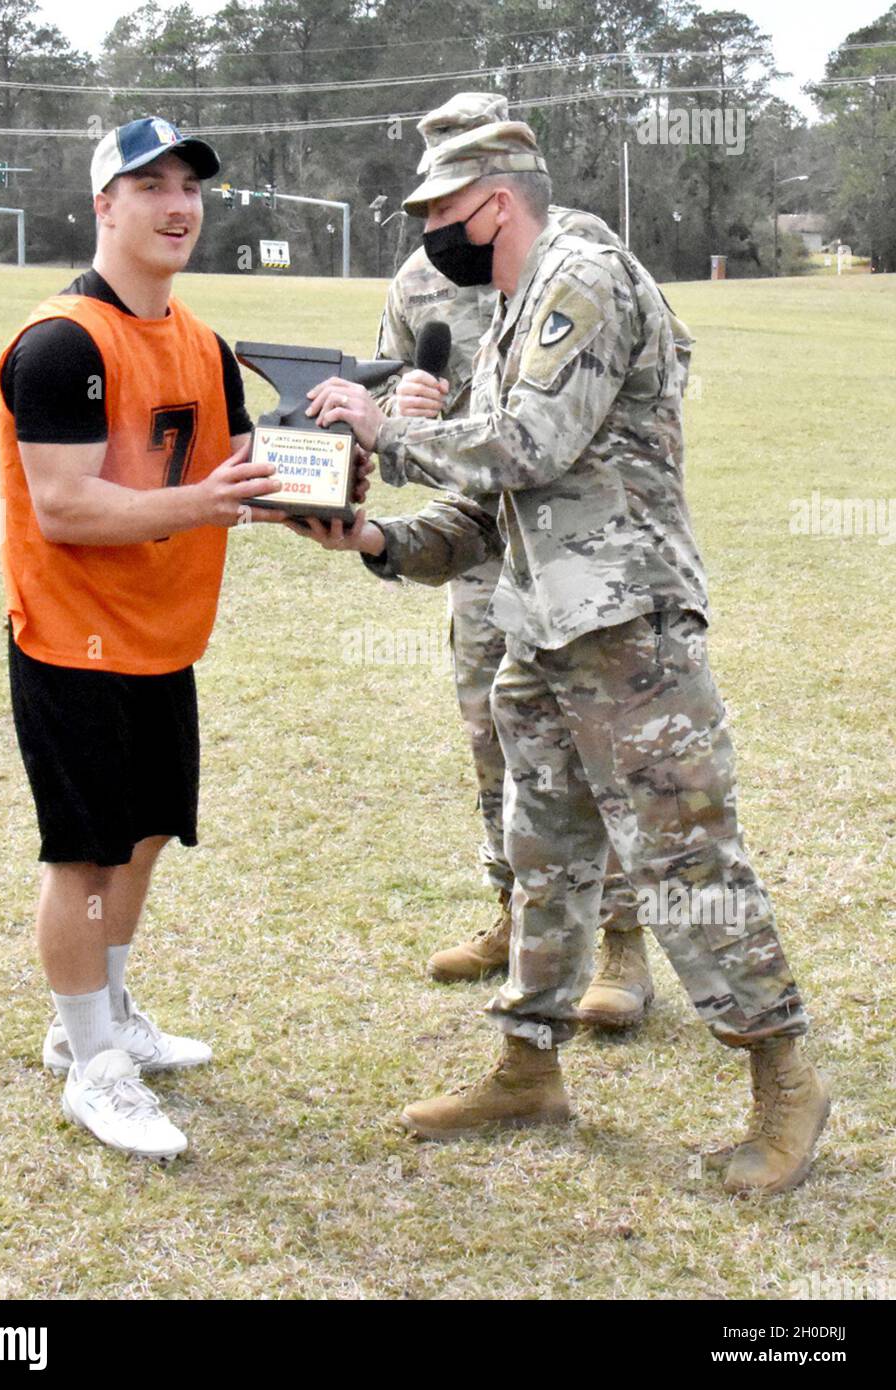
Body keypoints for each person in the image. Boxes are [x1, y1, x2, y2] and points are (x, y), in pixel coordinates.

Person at [298, 109, 830, 1193]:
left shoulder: (580, 277)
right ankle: (527, 1067)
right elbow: (498, 504)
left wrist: (382, 425)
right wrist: (374, 538)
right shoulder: (512, 305)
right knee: (543, 858)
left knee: (688, 863)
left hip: (627, 631)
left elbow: (527, 444)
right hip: (540, 630)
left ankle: (784, 1084)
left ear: (493, 202)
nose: (431, 235)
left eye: (440, 212)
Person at [0, 117, 291, 1160]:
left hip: (166, 637)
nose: (177, 205)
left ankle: (104, 1014)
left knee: (149, 829)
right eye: (149, 184)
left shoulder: (203, 342)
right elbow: (66, 507)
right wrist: (206, 505)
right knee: (83, 852)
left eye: (191, 189)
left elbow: (255, 467)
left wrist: (353, 442)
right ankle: (92, 1065)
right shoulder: (63, 342)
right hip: (74, 639)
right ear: (103, 207)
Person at [373, 92, 656, 1029]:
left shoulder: (576, 259)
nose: (434, 213)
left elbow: (564, 426)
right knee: (498, 740)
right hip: (478, 536)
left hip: (575, 550)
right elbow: (393, 399)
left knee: (594, 752)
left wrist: (417, 437)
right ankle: (515, 916)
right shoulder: (420, 278)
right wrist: (405, 402)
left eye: (456, 176)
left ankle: (621, 945)